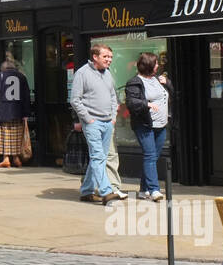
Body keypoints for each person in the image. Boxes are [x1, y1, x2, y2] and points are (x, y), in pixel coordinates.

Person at [72, 43, 120, 204]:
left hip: (107, 122)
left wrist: (113, 117)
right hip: (93, 123)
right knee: (98, 156)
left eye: (111, 57)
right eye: (105, 56)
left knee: (99, 158)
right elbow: (75, 100)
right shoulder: (82, 73)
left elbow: (113, 96)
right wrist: (88, 119)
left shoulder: (107, 73)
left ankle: (86, 191)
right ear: (95, 57)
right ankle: (107, 192)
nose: (109, 60)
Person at [125, 51, 169, 201]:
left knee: (153, 157)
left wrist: (167, 83)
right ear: (149, 65)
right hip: (145, 124)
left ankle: (144, 189)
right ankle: (154, 189)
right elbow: (131, 102)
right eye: (156, 63)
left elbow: (170, 95)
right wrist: (147, 104)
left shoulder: (157, 79)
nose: (158, 65)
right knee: (150, 155)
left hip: (161, 124)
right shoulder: (135, 82)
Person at [0, 57, 31, 168]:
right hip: (18, 111)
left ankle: (6, 158)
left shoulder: (1, 75)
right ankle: (16, 158)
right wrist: (26, 113)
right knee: (16, 135)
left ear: (3, 68)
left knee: (5, 134)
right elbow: (26, 96)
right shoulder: (22, 76)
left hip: (4, 110)